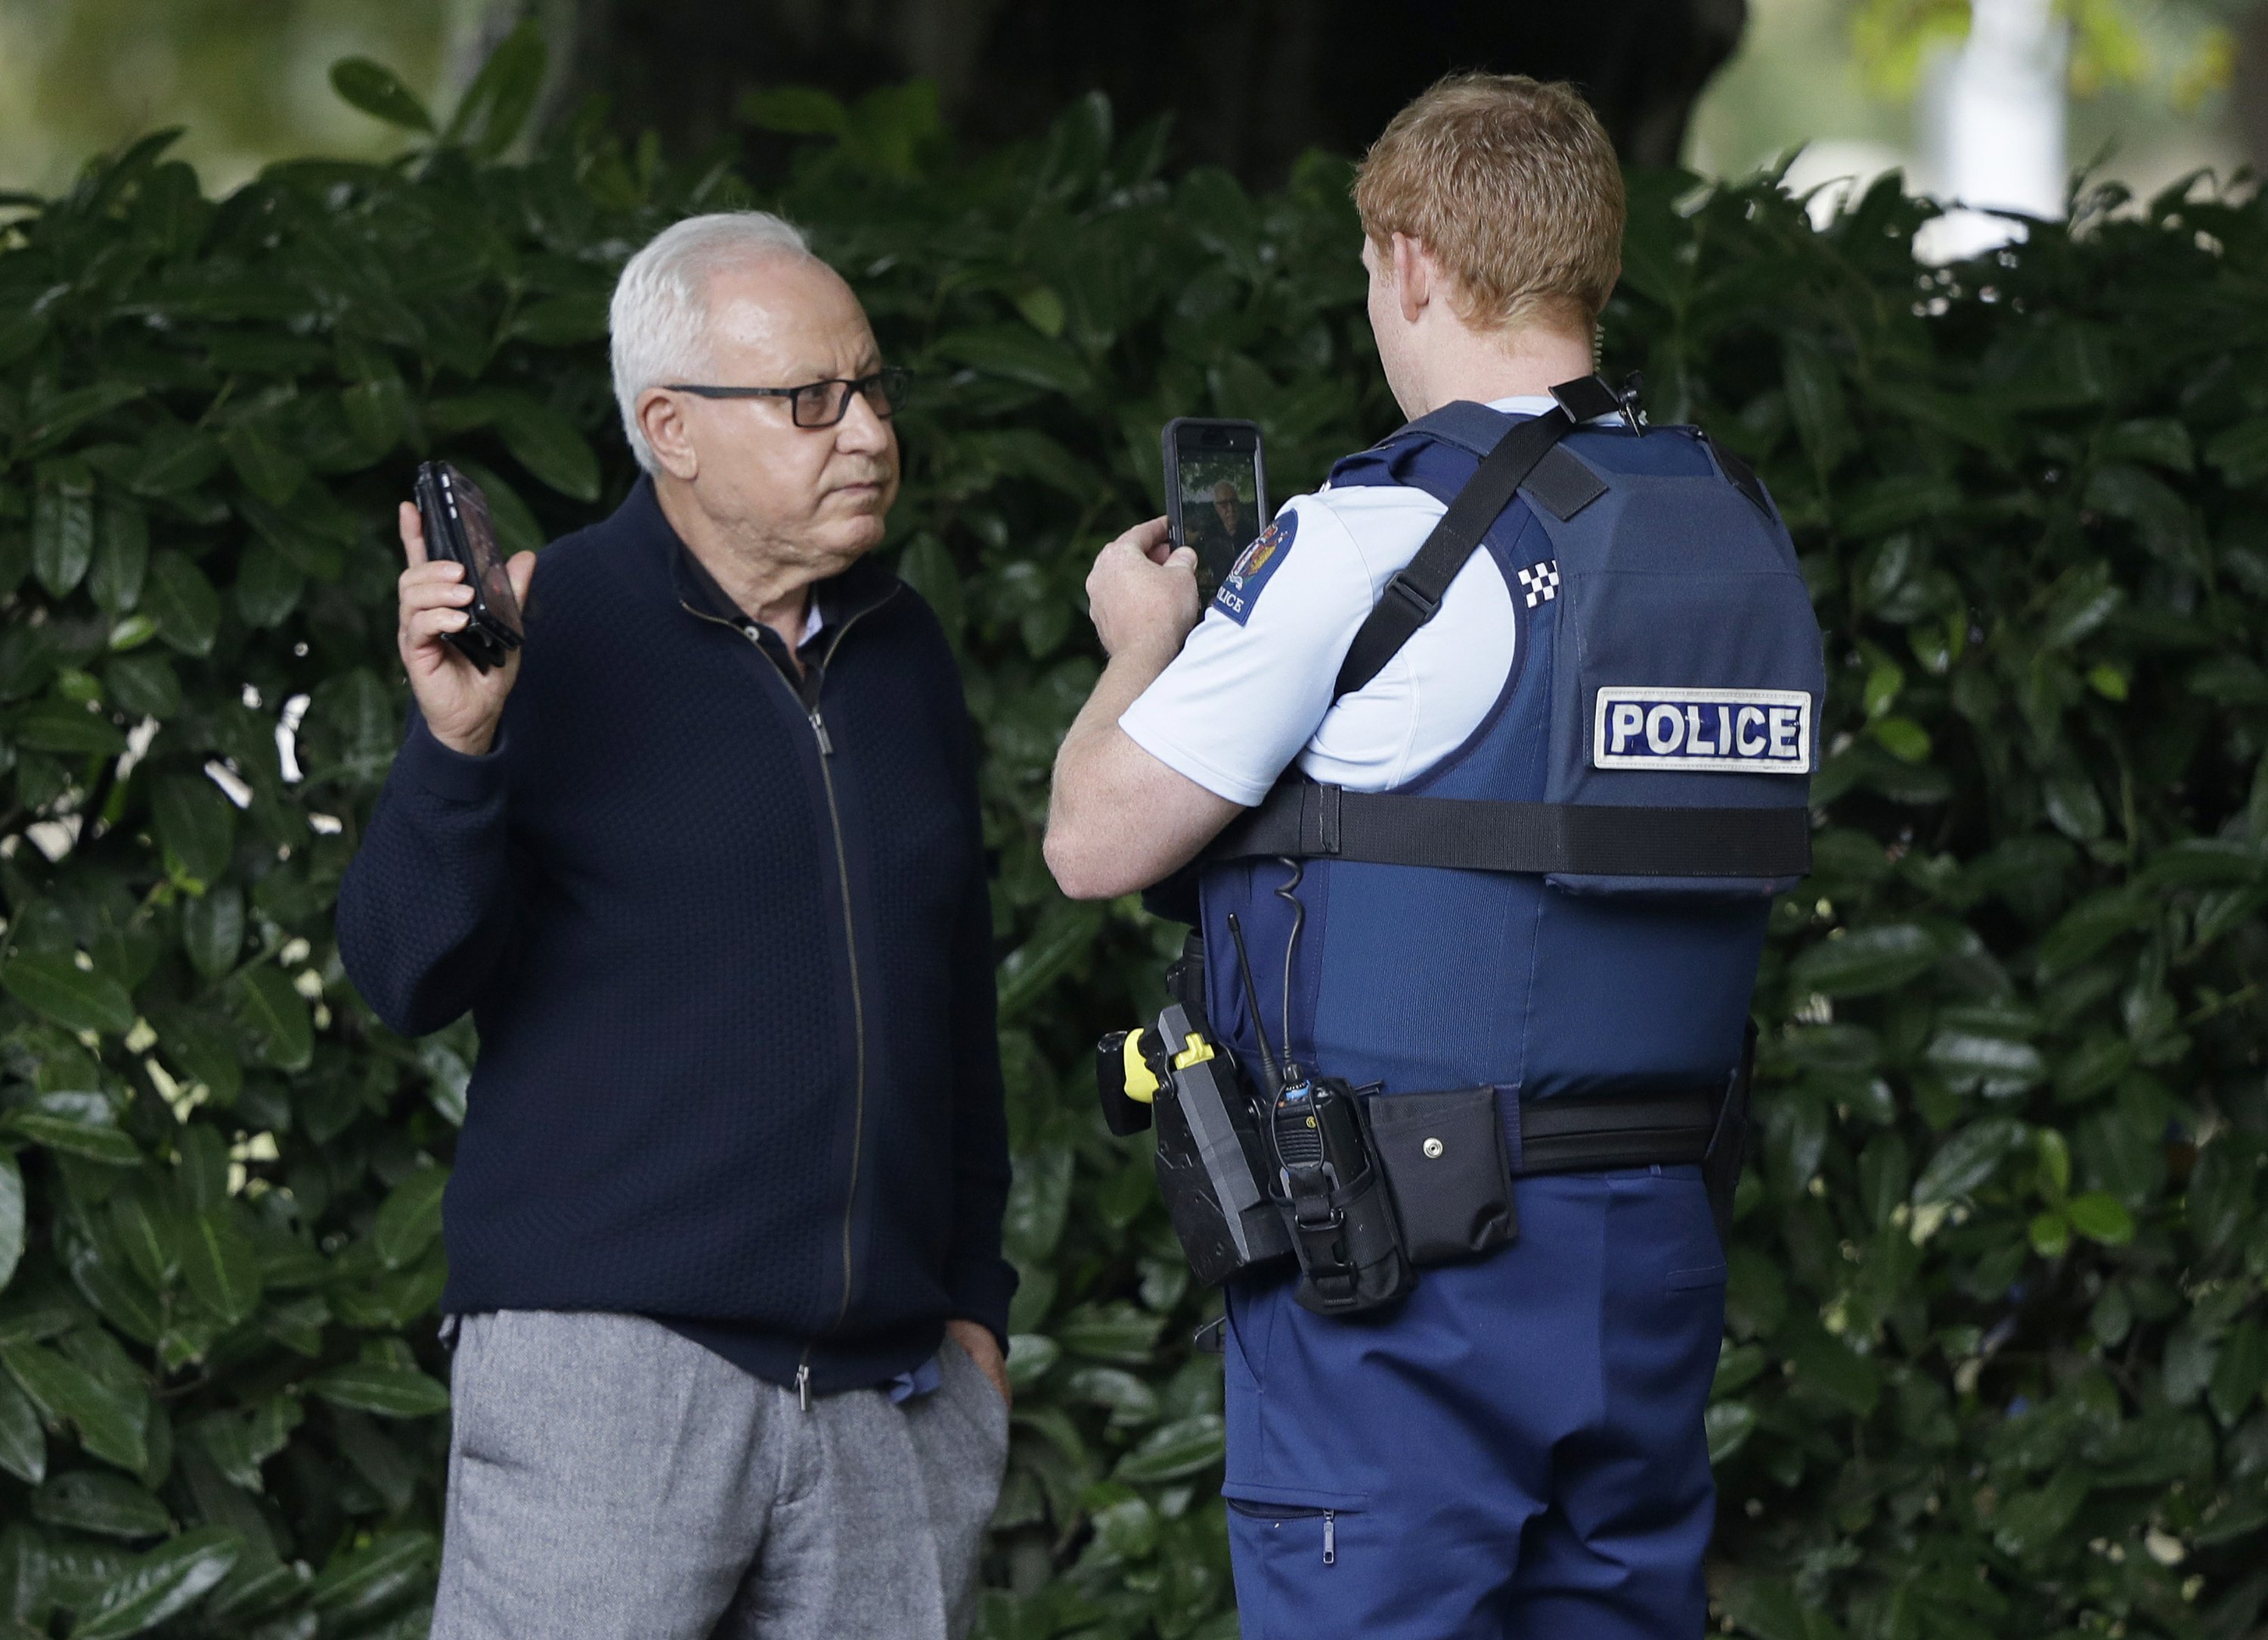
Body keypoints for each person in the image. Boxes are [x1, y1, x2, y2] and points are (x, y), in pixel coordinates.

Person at [1046, 75, 1822, 1640]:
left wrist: (1141, 645)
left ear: (1408, 262)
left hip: (1405, 1272)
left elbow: (1093, 839)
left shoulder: (1376, 538)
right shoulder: (1737, 529)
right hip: (1650, 1253)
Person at [336, 211, 1015, 1640]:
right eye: (811, 400)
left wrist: (975, 1314)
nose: (869, 432)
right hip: (612, 1373)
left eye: (873, 386)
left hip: (891, 1397)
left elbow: (956, 999)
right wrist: (455, 747)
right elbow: (404, 973)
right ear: (672, 429)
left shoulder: (902, 643)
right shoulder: (543, 628)